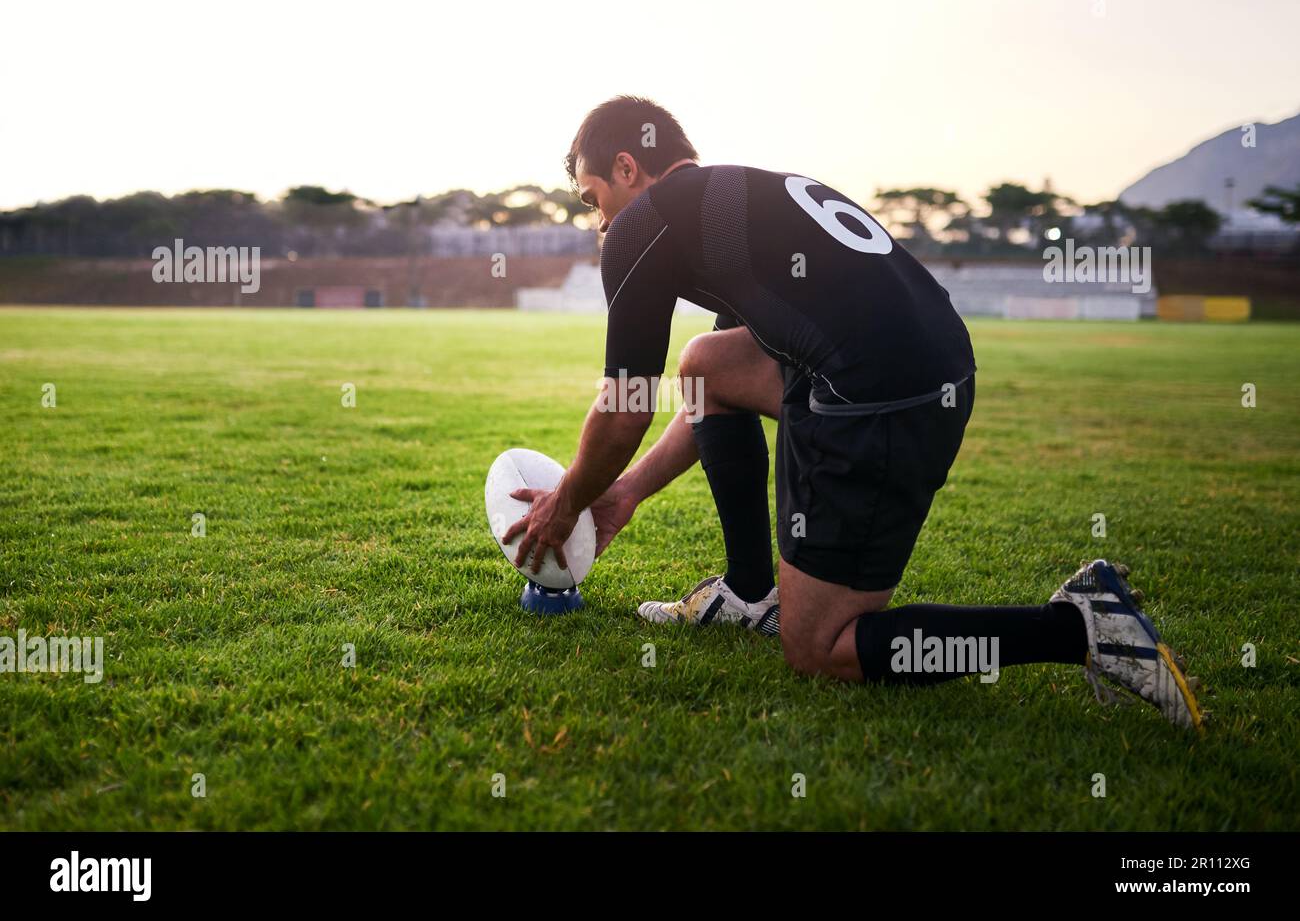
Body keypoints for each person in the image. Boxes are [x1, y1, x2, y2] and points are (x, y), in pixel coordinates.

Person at [503, 96, 1201, 729]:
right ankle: (750, 592)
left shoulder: (646, 226)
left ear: (627, 166)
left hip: (881, 394)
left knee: (820, 648)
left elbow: (625, 406)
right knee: (706, 362)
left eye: (596, 198)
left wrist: (568, 499)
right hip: (923, 367)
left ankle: (1078, 627)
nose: (599, 223)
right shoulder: (732, 198)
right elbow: (707, 393)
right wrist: (623, 491)